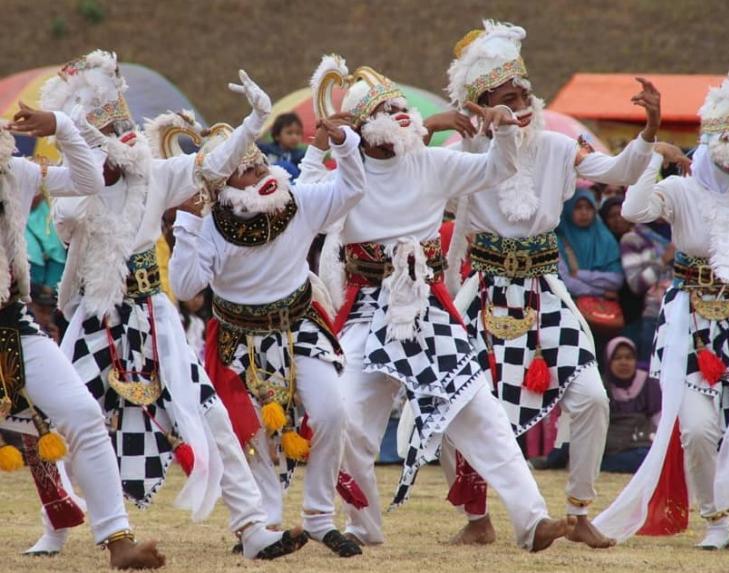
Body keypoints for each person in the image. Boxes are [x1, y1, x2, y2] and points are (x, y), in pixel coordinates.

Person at [301, 53, 574, 553]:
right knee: (349, 422)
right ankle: (364, 528)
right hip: (366, 313)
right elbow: (307, 205)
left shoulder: (433, 162)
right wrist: (325, 150)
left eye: (404, 105)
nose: (404, 114)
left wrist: (504, 126)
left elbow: (498, 167)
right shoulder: (348, 172)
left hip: (427, 313)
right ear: (364, 126)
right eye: (390, 109)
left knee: (481, 415)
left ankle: (533, 522)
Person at [43, 50, 307, 560]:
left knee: (210, 418)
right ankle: (55, 528)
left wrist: (254, 120)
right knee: (67, 420)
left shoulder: (159, 174)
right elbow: (70, 225)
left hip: (155, 316)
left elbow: (214, 163)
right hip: (96, 317)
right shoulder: (75, 193)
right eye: (108, 134)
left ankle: (253, 529)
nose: (124, 140)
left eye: (126, 129)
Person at [437, 20, 660, 548]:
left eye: (522, 92)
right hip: (484, 292)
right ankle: (476, 517)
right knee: (449, 402)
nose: (520, 102)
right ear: (483, 105)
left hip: (545, 294)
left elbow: (619, 169)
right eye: (507, 97)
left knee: (592, 399)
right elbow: (420, 185)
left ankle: (580, 512)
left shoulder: (559, 146)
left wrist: (649, 131)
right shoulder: (465, 150)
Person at [594, 73, 729, 551]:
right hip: (690, 323)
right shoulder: (683, 191)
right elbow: (637, 209)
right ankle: (716, 520)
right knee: (700, 430)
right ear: (714, 144)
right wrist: (656, 161)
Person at [168, 110, 367, 557]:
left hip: (299, 324)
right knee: (255, 436)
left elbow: (352, 188)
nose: (258, 175)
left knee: (332, 412)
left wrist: (345, 144)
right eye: (245, 172)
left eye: (259, 165)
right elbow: (184, 287)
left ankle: (319, 517)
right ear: (222, 185)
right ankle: (268, 524)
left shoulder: (297, 199)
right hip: (239, 337)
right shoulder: (212, 224)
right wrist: (187, 222)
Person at [0, 103, 164, 569]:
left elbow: (89, 182)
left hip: (10, 325)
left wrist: (63, 127)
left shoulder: (14, 171)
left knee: (85, 417)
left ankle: (118, 540)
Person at [601, 337, 661, 473]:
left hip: (645, 443)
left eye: (629, 357)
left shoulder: (648, 383)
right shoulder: (601, 387)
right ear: (608, 361)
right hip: (614, 449)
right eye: (617, 358)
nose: (624, 363)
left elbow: (659, 419)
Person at [620, 215, 675, 363]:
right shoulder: (633, 239)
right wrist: (663, 260)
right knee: (652, 372)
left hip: (683, 311)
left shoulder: (681, 235)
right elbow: (636, 283)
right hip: (655, 316)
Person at [261, 112, 306, 180]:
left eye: (298, 133)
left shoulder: (300, 155)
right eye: (289, 133)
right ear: (277, 135)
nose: (294, 137)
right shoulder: (266, 149)